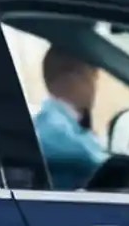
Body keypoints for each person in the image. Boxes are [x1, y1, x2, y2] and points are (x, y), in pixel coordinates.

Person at [33, 45, 109, 189]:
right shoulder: (56, 130)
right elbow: (101, 163)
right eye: (93, 77)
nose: (95, 87)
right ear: (74, 78)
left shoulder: (55, 123)